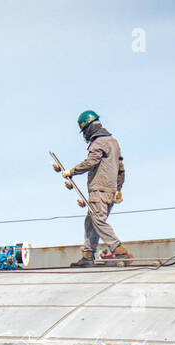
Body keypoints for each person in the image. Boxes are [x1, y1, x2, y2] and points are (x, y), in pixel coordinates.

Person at [65, 110, 129, 266]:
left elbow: (91, 161)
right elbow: (121, 169)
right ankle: (88, 254)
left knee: (98, 221)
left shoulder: (98, 143)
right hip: (110, 191)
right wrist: (118, 189)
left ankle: (118, 249)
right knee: (91, 221)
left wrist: (71, 172)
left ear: (87, 128)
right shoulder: (113, 142)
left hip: (98, 190)